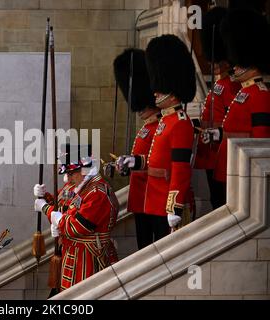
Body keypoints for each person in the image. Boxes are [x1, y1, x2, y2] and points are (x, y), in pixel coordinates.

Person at [119, 34, 196, 233]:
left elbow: (180, 168)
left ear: (172, 90)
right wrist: (135, 162)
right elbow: (156, 160)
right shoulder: (167, 120)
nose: (155, 92)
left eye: (160, 89)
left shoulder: (180, 123)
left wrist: (175, 205)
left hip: (165, 203)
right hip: (153, 200)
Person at [34, 144, 119, 291]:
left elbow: (75, 226)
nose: (69, 177)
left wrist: (46, 209)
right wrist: (45, 197)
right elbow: (62, 205)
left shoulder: (97, 192)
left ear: (84, 169)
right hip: (74, 252)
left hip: (88, 256)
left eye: (72, 172)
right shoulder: (80, 186)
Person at [203, 9, 270, 195]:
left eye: (241, 61)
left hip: (243, 169)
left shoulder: (260, 94)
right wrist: (219, 133)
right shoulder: (246, 90)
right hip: (227, 165)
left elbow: (260, 140)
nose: (235, 65)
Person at [112, 48, 162, 249]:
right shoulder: (148, 126)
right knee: (143, 246)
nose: (140, 108)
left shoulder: (161, 125)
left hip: (154, 197)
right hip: (141, 197)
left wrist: (136, 162)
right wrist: (126, 165)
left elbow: (158, 162)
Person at [193, 7, 241, 210]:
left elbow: (234, 122)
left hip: (222, 154)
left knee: (222, 203)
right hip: (211, 154)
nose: (213, 64)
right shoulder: (220, 86)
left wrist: (217, 134)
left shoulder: (232, 86)